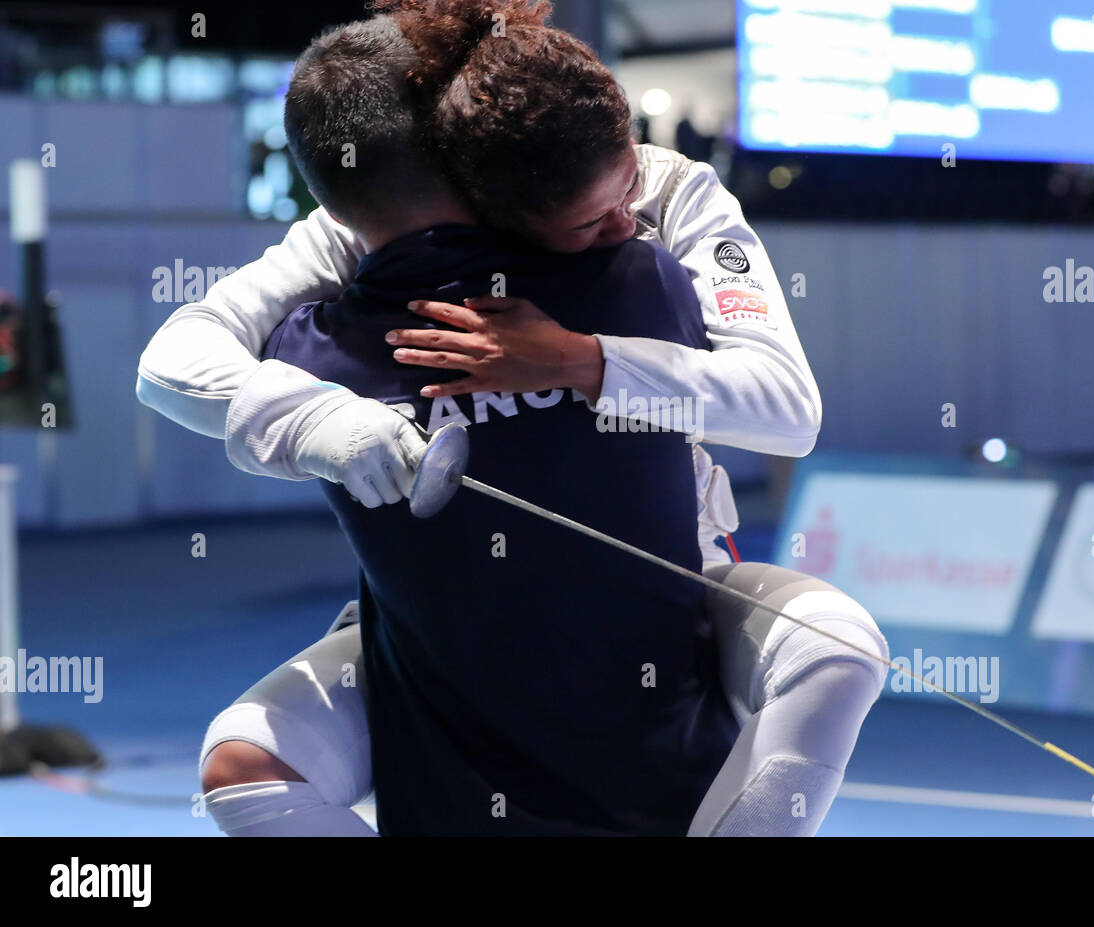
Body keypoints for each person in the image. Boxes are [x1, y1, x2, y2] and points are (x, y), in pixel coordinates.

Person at [139, 0, 888, 835]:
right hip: (438, 624)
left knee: (835, 645)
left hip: (674, 588)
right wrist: (323, 424)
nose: (625, 223)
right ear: (483, 191)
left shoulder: (666, 197)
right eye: (589, 222)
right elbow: (172, 358)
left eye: (627, 196)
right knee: (242, 763)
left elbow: (788, 407)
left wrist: (580, 358)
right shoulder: (357, 230)